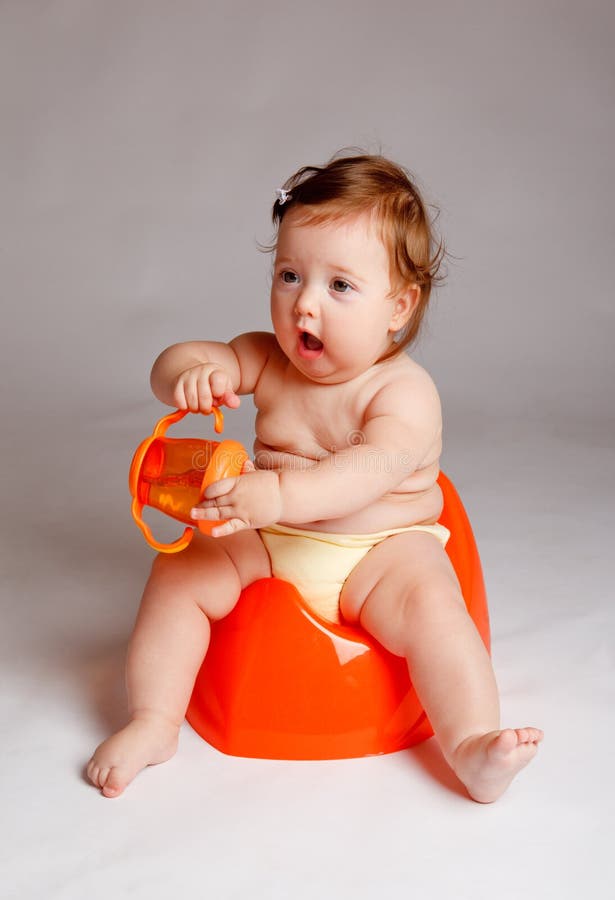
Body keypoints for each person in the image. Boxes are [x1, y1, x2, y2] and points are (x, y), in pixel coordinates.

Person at [87, 153, 543, 801]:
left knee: (433, 610)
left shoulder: (403, 392)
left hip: (376, 554)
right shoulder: (267, 358)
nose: (304, 304)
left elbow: (366, 472)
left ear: (398, 306)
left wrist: (274, 494)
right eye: (289, 274)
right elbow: (179, 361)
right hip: (270, 541)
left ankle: (470, 744)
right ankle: (154, 719)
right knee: (181, 573)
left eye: (339, 287)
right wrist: (189, 374)